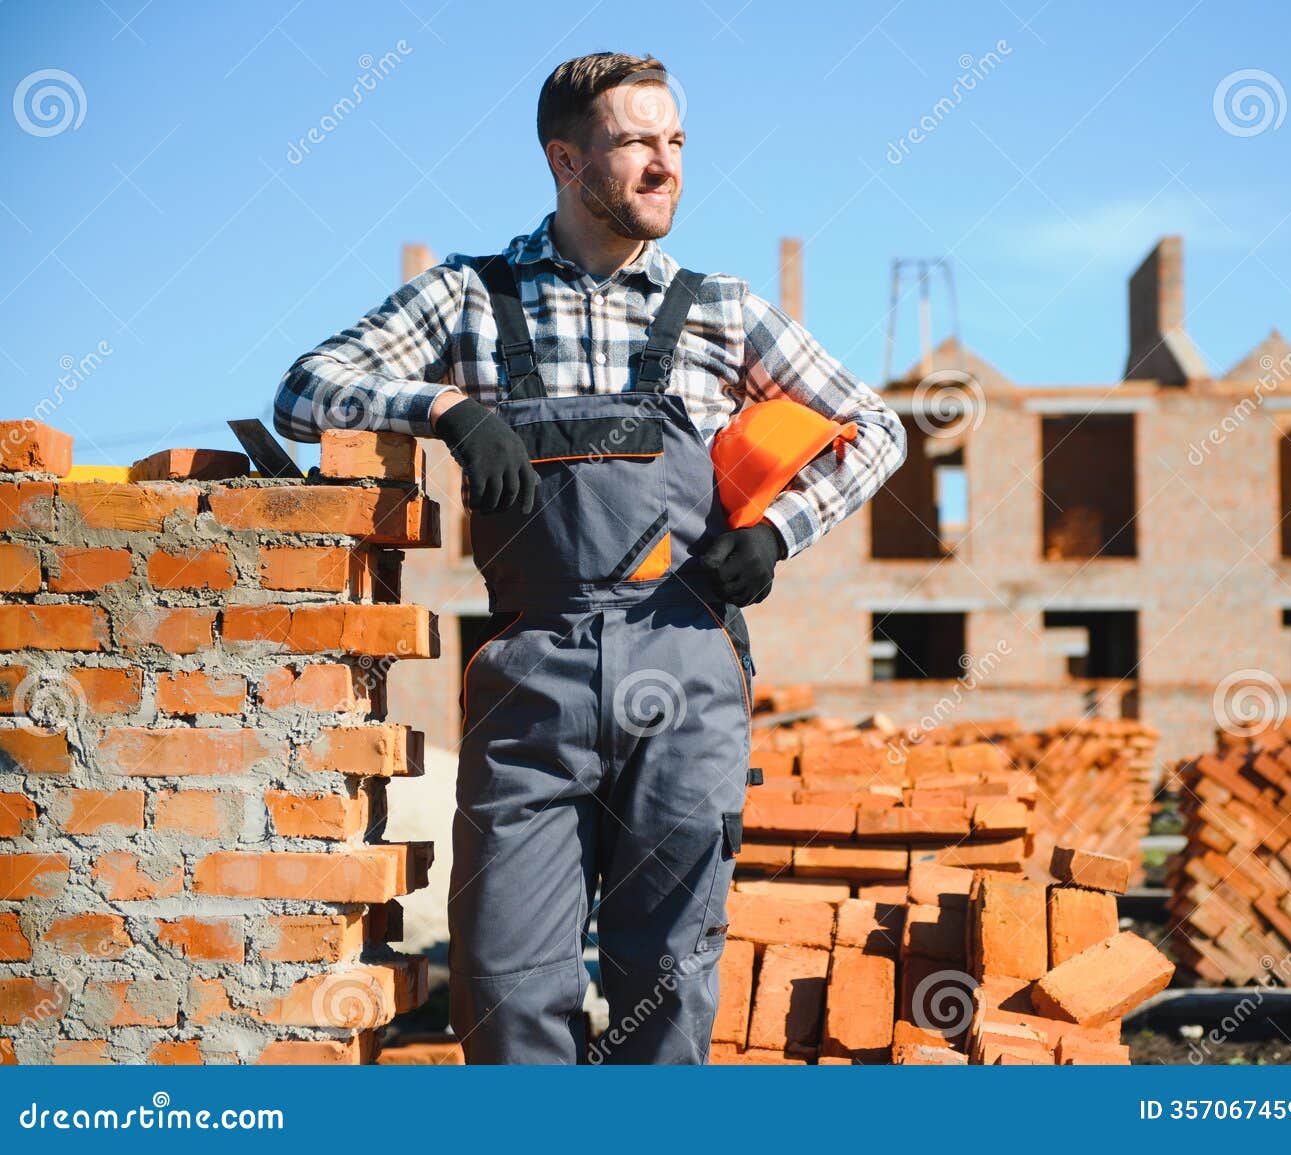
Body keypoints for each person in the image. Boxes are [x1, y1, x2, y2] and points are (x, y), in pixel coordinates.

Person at [273, 51, 905, 1064]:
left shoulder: (720, 307)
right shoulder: (471, 298)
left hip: (687, 662)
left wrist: (777, 530)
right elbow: (304, 389)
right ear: (567, 161)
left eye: (676, 142)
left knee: (666, 984)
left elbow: (876, 429)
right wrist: (442, 406)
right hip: (535, 674)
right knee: (504, 980)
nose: (666, 166)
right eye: (636, 142)